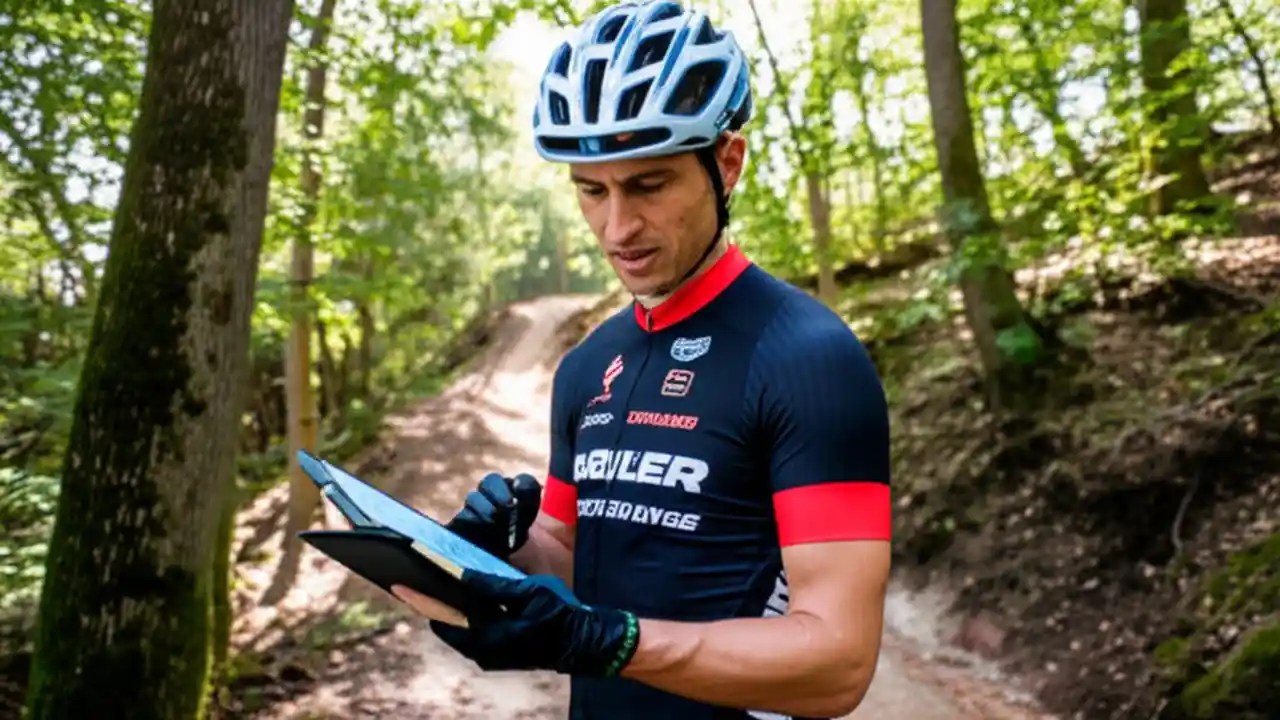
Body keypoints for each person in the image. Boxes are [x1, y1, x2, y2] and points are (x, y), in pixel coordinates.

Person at [391, 2, 892, 718]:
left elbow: (837, 663)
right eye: (591, 190)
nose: (616, 227)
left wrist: (609, 643)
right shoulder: (588, 366)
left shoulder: (809, 358)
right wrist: (494, 557)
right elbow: (574, 559)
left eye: (648, 185)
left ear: (727, 163)